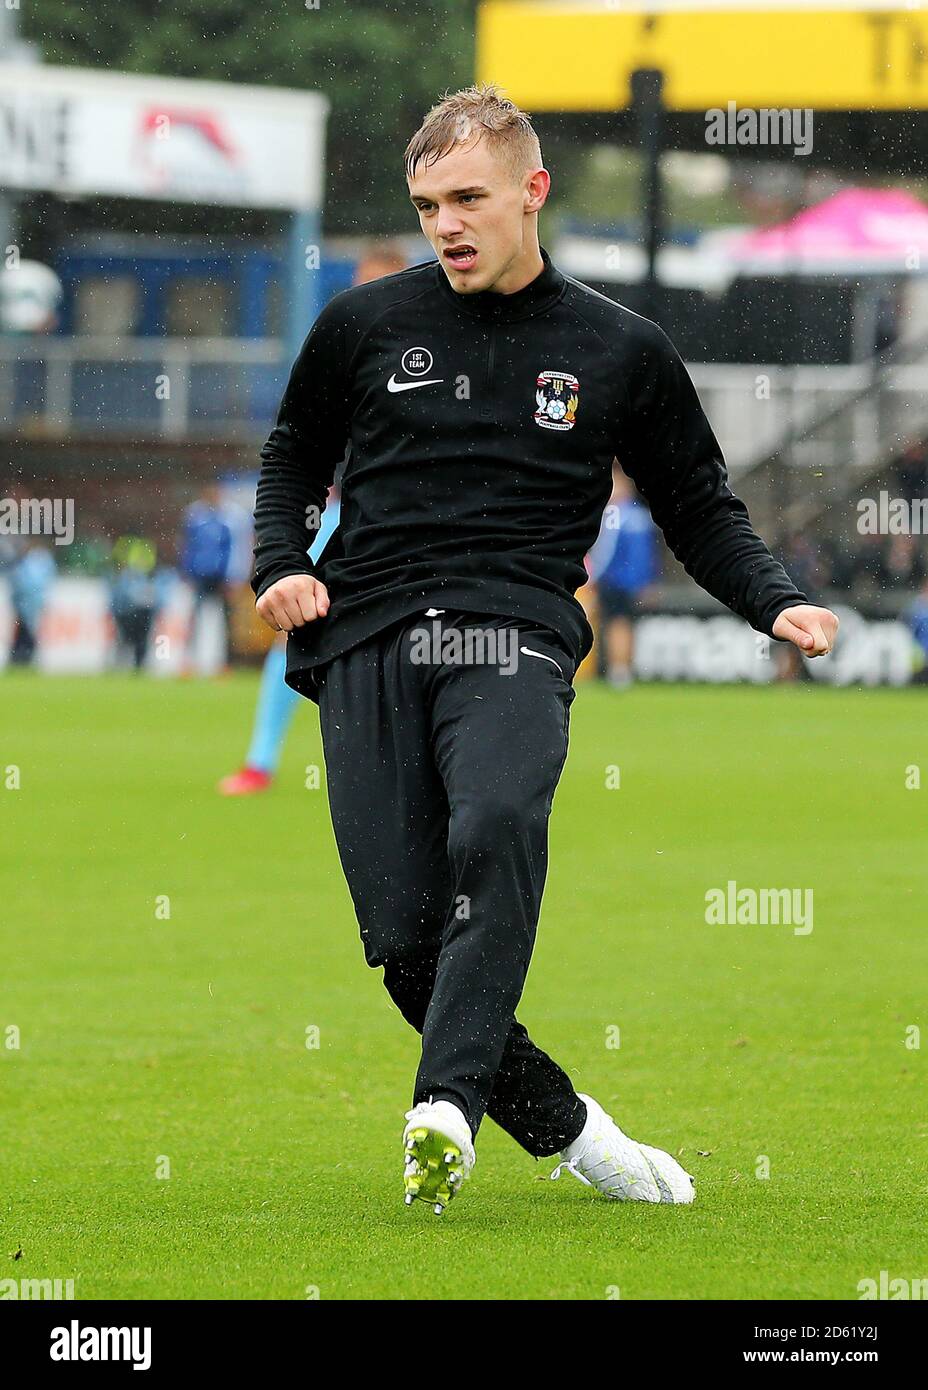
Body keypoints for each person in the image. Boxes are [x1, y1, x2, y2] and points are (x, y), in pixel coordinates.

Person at [251, 83, 839, 1215]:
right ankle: (576, 1130)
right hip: (364, 634)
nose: (447, 225)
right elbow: (291, 459)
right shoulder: (363, 325)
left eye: (468, 197)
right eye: (427, 205)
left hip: (513, 629)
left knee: (500, 819)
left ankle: (443, 1111)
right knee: (408, 949)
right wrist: (281, 561)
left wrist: (770, 598)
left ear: (533, 191)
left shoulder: (622, 349)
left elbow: (699, 506)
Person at [219, 243, 408, 796]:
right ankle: (261, 761)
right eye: (361, 282)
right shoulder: (347, 342)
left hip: (420, 526)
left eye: (378, 282)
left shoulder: (433, 348)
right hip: (348, 517)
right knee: (295, 627)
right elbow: (300, 442)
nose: (366, 294)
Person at [587, 465, 658, 688]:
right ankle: (623, 669)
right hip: (634, 580)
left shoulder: (615, 515)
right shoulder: (641, 515)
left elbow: (604, 553)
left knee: (615, 624)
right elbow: (650, 554)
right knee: (625, 623)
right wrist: (648, 581)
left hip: (615, 579)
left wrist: (592, 576)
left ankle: (618, 671)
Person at [179, 484, 232, 675]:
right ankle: (189, 661)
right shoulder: (196, 522)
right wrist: (187, 571)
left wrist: (228, 576)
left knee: (224, 621)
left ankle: (224, 663)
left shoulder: (224, 525)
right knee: (195, 619)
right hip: (199, 576)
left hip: (218, 578)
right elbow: (188, 548)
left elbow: (227, 553)